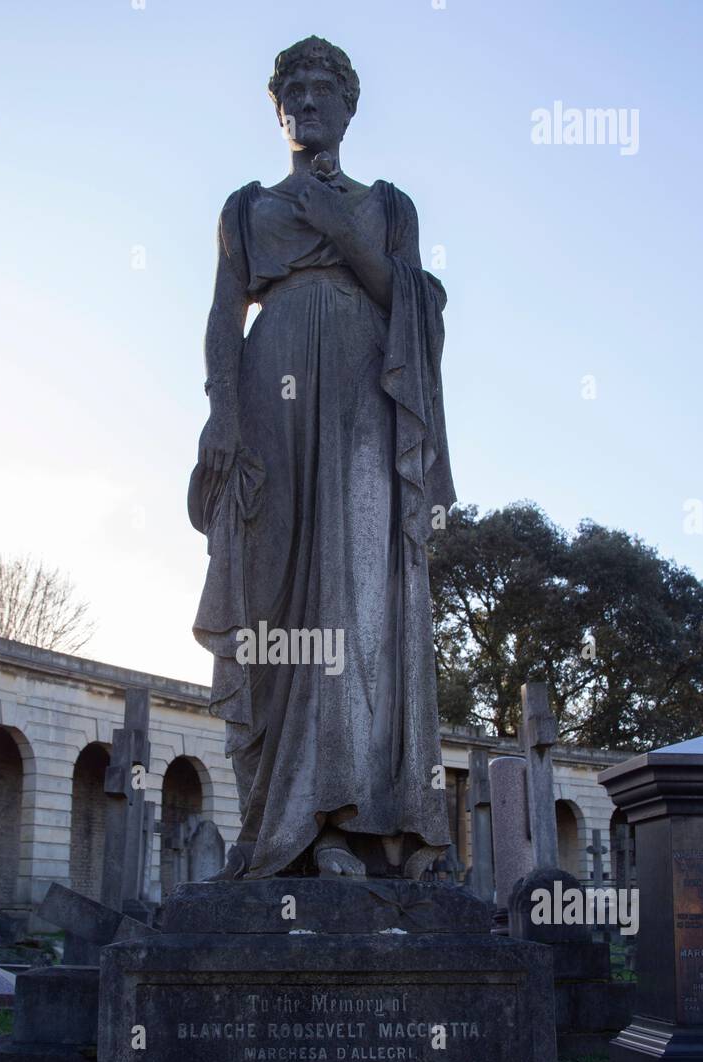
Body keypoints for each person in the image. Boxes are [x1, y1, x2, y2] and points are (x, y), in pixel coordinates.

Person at [189, 36, 455, 881]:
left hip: (363, 398)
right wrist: (221, 416)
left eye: (323, 88)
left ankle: (351, 816)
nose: (307, 99)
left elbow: (417, 304)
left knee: (358, 596)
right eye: (292, 90)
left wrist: (345, 229)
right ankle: (277, 817)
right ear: (278, 110)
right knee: (272, 594)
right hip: (270, 398)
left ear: (348, 106)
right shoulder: (245, 207)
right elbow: (223, 313)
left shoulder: (386, 203)